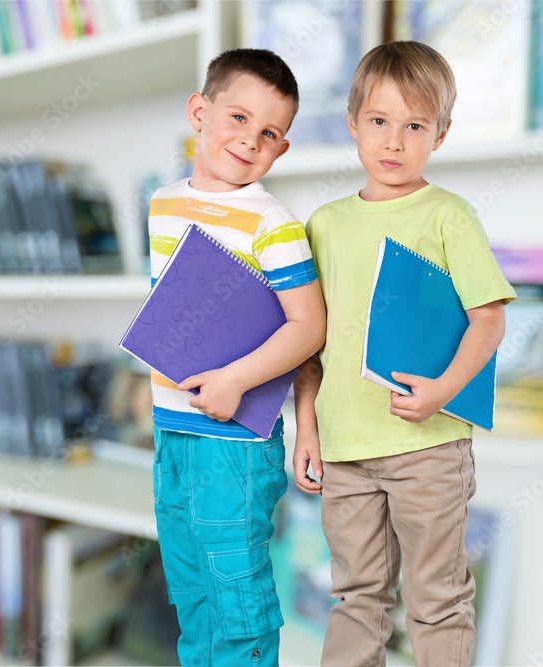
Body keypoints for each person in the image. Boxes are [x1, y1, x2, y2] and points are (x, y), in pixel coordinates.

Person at [293, 41, 517, 667]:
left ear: (440, 135)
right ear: (353, 124)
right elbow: (310, 340)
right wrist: (306, 428)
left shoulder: (449, 216)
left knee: (437, 598)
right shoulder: (324, 224)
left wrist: (442, 391)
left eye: (415, 126)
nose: (394, 142)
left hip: (428, 450)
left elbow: (489, 320)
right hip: (344, 448)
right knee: (356, 597)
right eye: (380, 122)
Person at [148, 48, 326, 666]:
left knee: (239, 611)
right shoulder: (163, 204)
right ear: (201, 111)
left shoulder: (273, 222)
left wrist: (234, 380)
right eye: (238, 119)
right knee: (192, 600)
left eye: (270, 133)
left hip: (235, 446)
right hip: (171, 432)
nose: (250, 141)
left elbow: (309, 326)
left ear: (282, 149)